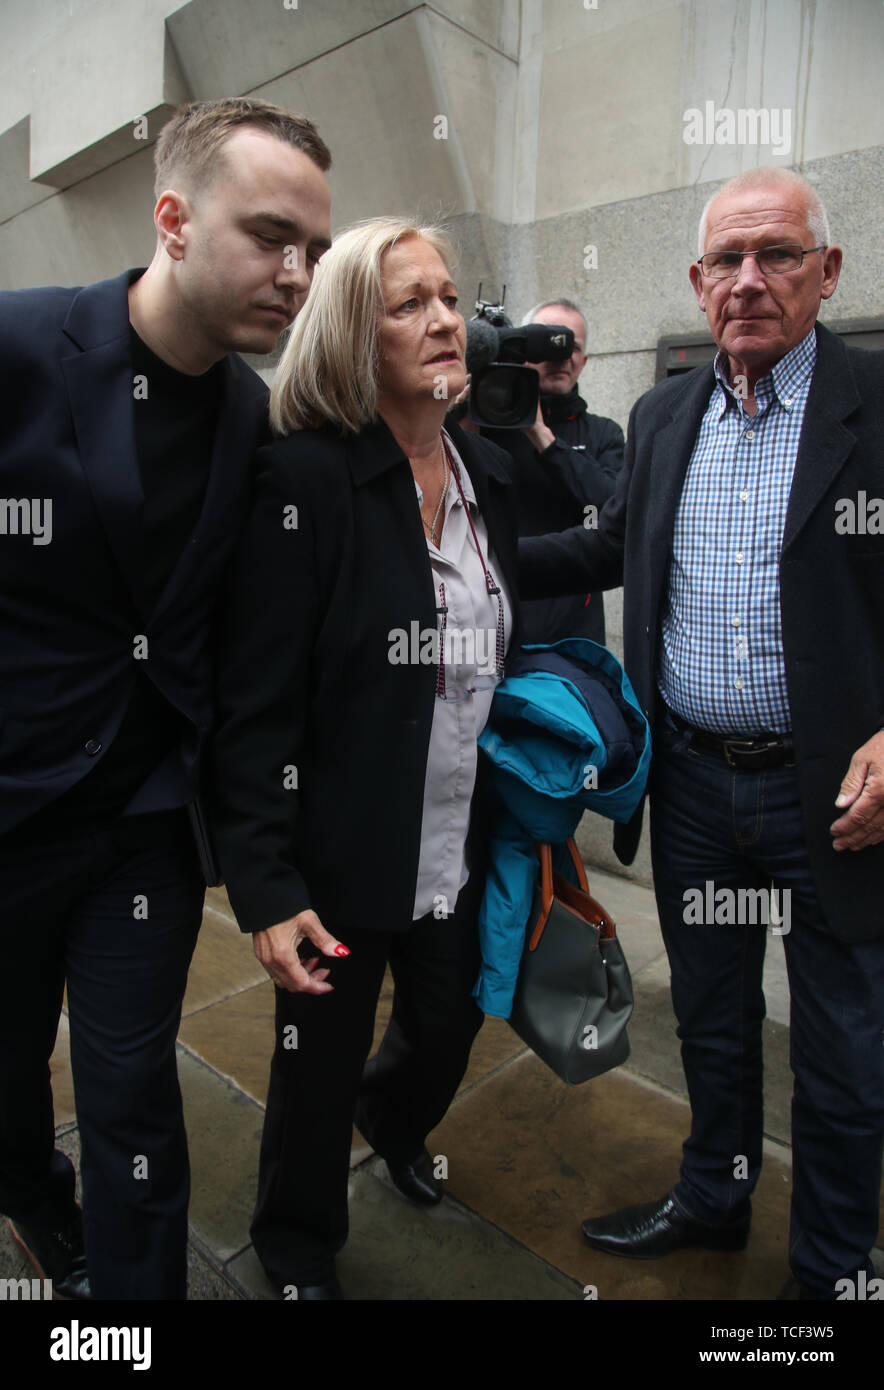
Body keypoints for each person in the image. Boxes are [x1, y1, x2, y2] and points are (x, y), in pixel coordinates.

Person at [519, 168, 884, 1300]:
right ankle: (713, 1200)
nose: (747, 281)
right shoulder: (661, 414)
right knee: (713, 1023)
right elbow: (606, 548)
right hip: (690, 784)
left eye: (776, 254)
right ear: (694, 281)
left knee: (839, 1054)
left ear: (825, 273)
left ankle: (827, 1272)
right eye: (725, 260)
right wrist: (449, 568)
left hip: (832, 799)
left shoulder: (874, 409)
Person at [0, 97, 332, 1300]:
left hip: (142, 823)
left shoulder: (258, 422)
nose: (296, 275)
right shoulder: (23, 344)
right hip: (11, 808)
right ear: (174, 220)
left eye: (315, 251)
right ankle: (40, 1213)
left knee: (133, 1090)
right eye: (269, 236)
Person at [210, 217, 521, 1300]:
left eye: (446, 296)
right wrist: (267, 882)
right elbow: (254, 704)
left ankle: (391, 1122)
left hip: (456, 833)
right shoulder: (306, 479)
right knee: (314, 1064)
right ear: (354, 333)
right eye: (406, 305)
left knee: (446, 1025)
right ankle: (296, 1248)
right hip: (340, 852)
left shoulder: (481, 466)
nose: (442, 321)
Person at [482, 299, 624, 644]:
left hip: (575, 638)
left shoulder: (603, 433)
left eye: (572, 347)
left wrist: (543, 437)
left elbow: (614, 510)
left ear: (585, 361)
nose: (562, 356)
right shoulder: (486, 428)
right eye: (549, 343)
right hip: (497, 628)